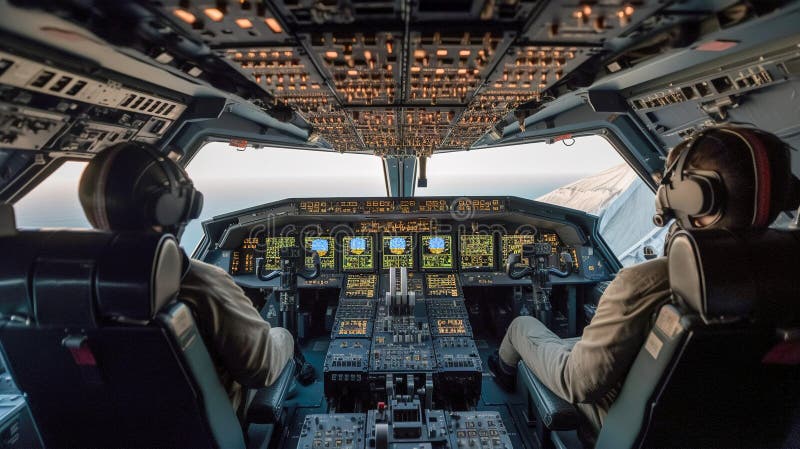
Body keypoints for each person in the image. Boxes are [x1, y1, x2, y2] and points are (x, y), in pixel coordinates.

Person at [488, 126, 798, 442]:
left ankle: (503, 386)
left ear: (691, 196)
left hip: (631, 427)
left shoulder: (645, 281)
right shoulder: (789, 275)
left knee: (522, 326)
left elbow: (579, 382)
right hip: (734, 432)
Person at [78, 141, 294, 416]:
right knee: (279, 337)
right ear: (174, 207)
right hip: (210, 426)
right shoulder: (201, 283)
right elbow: (261, 369)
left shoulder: (65, 284)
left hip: (113, 425)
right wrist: (284, 336)